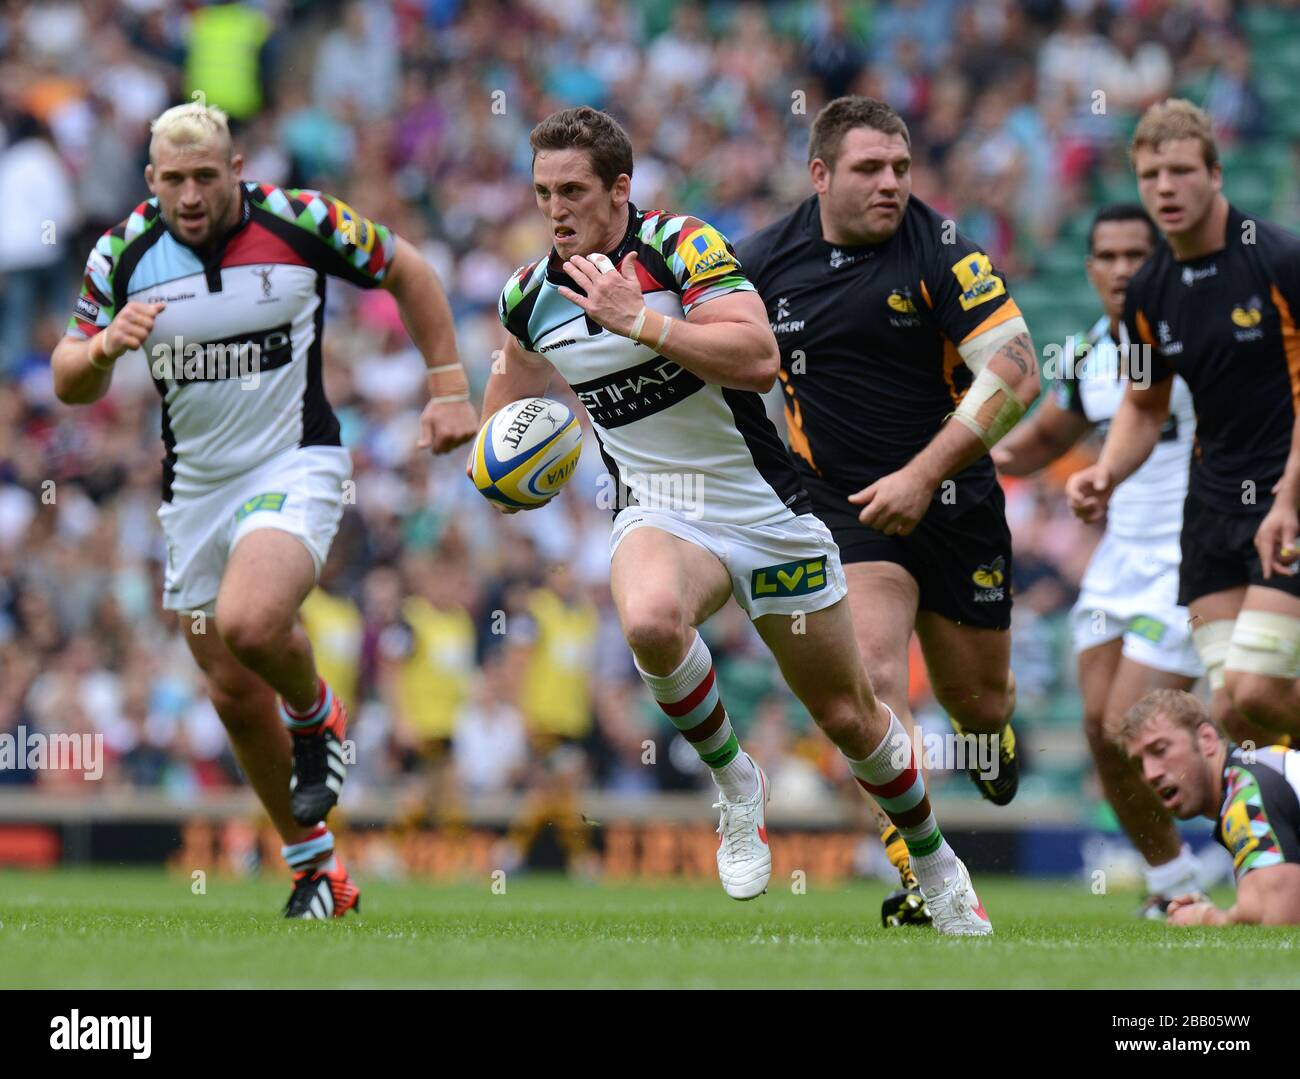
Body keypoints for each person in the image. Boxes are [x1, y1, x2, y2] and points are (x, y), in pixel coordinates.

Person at [483, 105, 991, 934]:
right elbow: (510, 396)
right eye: (542, 192)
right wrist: (496, 462)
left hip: (767, 512)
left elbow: (758, 358)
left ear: (620, 188)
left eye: (573, 189)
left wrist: (640, 320)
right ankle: (734, 782)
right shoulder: (530, 294)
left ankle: (935, 861)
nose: (556, 209)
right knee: (649, 619)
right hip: (662, 507)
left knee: (853, 719)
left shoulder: (682, 247)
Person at [51, 101, 478, 917]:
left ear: (236, 169)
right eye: (173, 179)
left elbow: (409, 268)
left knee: (251, 623)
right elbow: (71, 377)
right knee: (230, 688)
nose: (190, 194)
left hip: (297, 461)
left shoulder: (301, 220)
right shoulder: (123, 252)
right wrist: (105, 347)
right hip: (195, 491)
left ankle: (318, 711)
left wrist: (449, 389)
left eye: (205, 176)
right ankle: (317, 870)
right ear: (151, 181)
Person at [735, 96, 1040, 925]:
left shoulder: (942, 250)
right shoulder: (759, 261)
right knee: (870, 676)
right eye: (870, 169)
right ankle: (922, 868)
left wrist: (921, 474)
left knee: (977, 704)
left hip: (955, 499)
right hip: (843, 506)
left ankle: (994, 733)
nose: (891, 184)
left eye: (901, 168)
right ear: (820, 174)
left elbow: (1017, 371)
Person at [994, 204, 1206, 915]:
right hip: (1118, 561)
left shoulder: (1198, 336)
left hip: (1191, 559)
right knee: (1097, 727)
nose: (1122, 269)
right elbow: (1039, 440)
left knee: (1132, 722)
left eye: (1136, 254)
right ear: (1089, 270)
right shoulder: (1088, 350)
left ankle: (1260, 841)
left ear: (1164, 261)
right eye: (1107, 256)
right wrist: (951, 461)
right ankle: (1172, 882)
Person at [1067, 99, 1300, 742]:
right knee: (1233, 710)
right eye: (1150, 176)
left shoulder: (1278, 260)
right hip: (1212, 511)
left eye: (1180, 171)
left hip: (1286, 498)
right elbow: (1143, 403)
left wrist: (1290, 498)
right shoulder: (1147, 293)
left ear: (1216, 174)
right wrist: (1107, 472)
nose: (1165, 188)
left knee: (1258, 687)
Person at [1119, 688, 1300, 926]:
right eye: (1139, 764)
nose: (1150, 774)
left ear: (1206, 740)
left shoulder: (1247, 791)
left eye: (1160, 750)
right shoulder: (1258, 771)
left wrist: (1205, 917)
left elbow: (1280, 914)